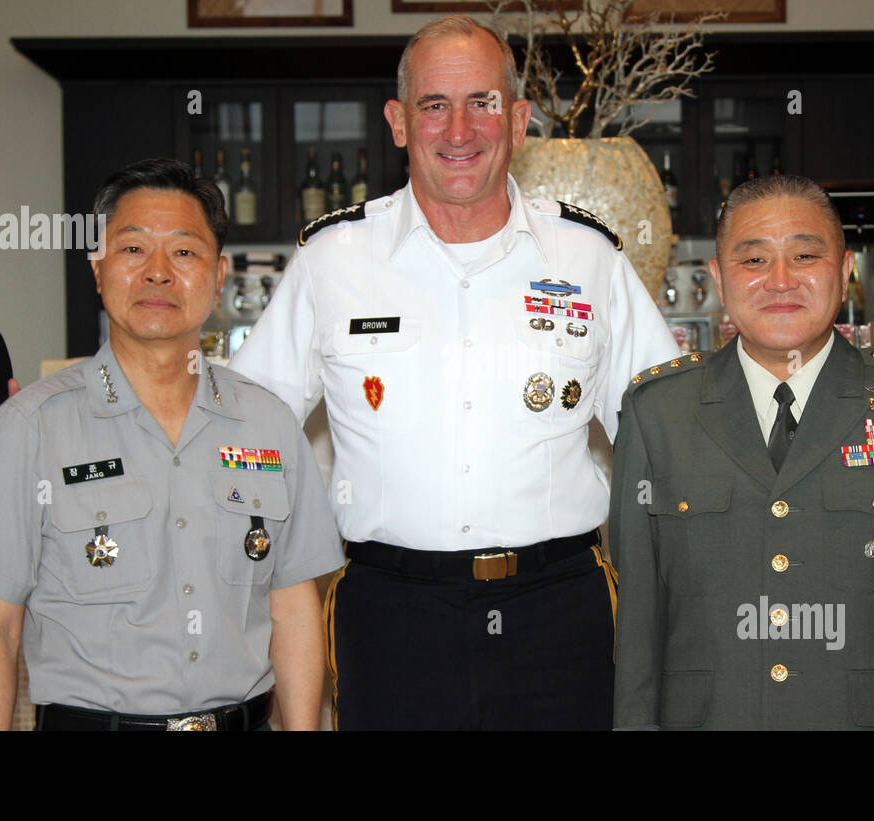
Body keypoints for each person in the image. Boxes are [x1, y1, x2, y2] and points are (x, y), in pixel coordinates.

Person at [227, 15, 679, 730]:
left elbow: (674, 429)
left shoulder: (588, 259)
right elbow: (241, 423)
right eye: (434, 105)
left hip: (560, 614)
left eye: (483, 103)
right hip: (390, 616)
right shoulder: (332, 261)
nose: (459, 129)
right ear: (399, 123)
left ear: (520, 119)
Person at [0, 158, 344, 730]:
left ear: (219, 273)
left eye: (184, 251)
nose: (158, 272)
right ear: (97, 267)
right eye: (132, 250)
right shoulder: (32, 426)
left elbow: (294, 607)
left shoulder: (270, 425)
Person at [610, 174, 874, 730]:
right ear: (719, 279)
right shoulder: (658, 413)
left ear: (845, 272)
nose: (780, 281)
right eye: (753, 261)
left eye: (804, 255)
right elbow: (637, 631)